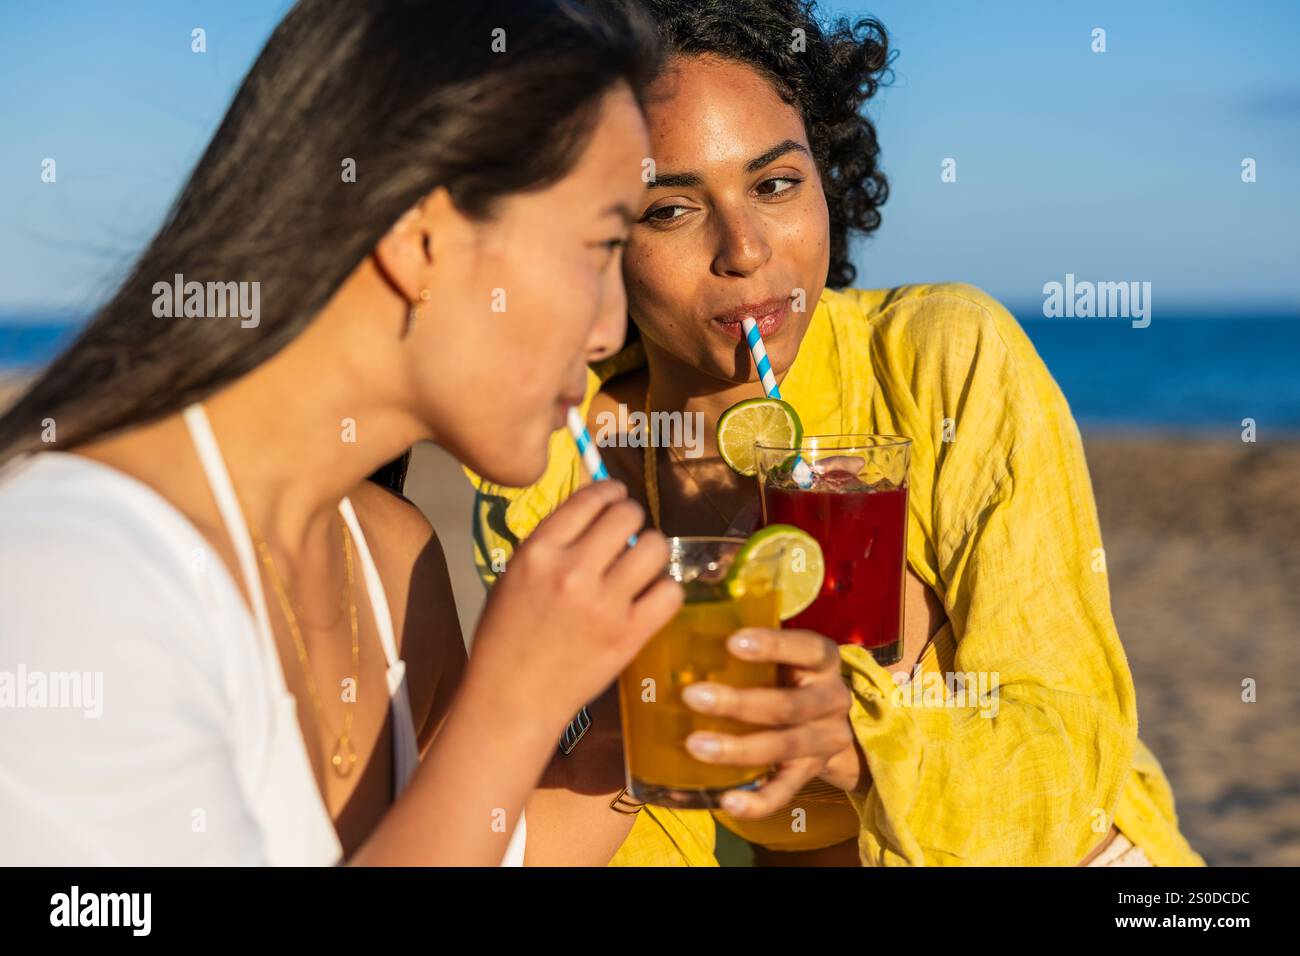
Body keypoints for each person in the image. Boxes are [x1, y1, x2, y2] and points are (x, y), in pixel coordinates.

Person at [465, 0, 1206, 867]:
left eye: (776, 185)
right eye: (670, 209)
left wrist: (854, 738)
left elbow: (1072, 748)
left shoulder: (942, 361)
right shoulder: (558, 466)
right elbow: (619, 817)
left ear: (828, 176)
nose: (744, 248)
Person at [0, 0, 688, 866]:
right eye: (599, 249)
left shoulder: (397, 560)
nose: (608, 330)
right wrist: (514, 706)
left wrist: (643, 726)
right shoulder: (73, 574)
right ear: (420, 238)